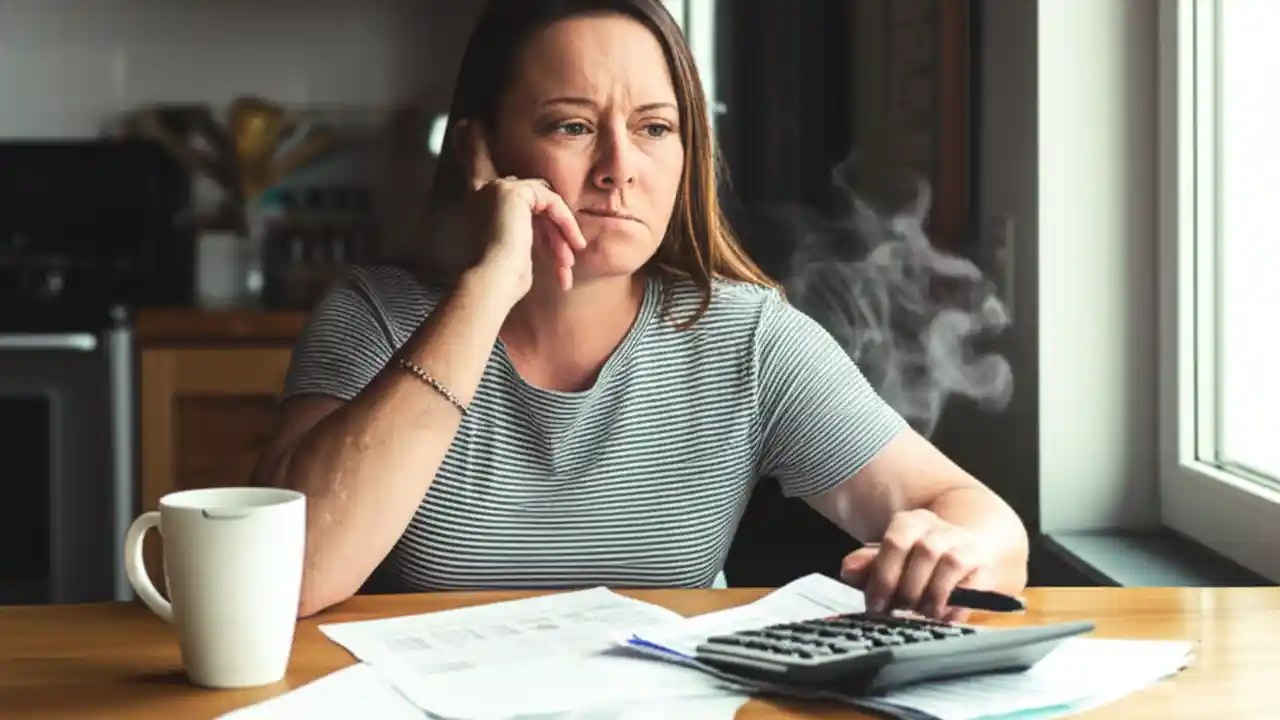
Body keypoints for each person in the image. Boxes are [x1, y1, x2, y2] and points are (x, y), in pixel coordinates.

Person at [252, 0, 1029, 619]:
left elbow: (983, 521)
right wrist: (485, 288)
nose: (619, 168)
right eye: (572, 126)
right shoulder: (374, 316)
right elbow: (287, 578)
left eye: (654, 128)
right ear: (477, 152)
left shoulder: (748, 339)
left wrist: (958, 551)